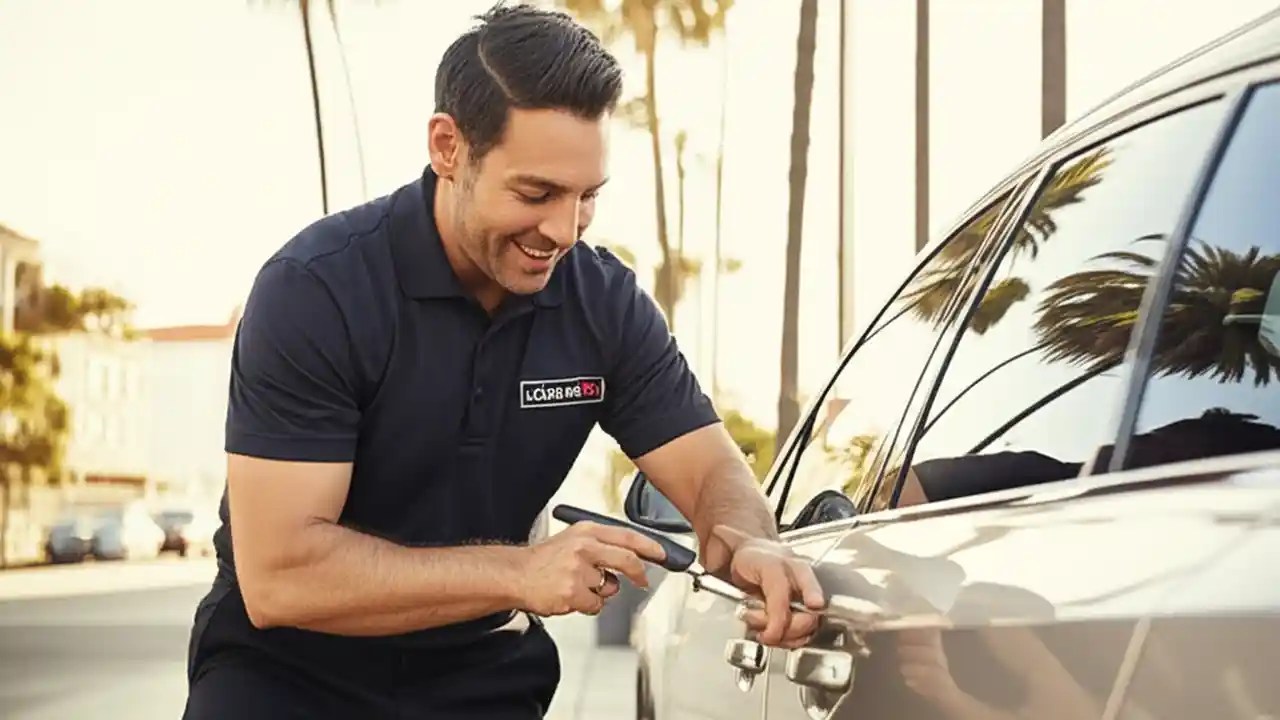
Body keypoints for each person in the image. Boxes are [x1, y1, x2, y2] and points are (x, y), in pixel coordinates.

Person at [181, 4, 823, 719]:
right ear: (448, 146)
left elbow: (709, 474)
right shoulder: (316, 290)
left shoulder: (602, 302)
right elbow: (281, 577)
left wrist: (750, 544)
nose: (562, 229)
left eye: (586, 197)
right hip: (286, 681)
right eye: (536, 193)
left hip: (485, 677)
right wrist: (521, 571)